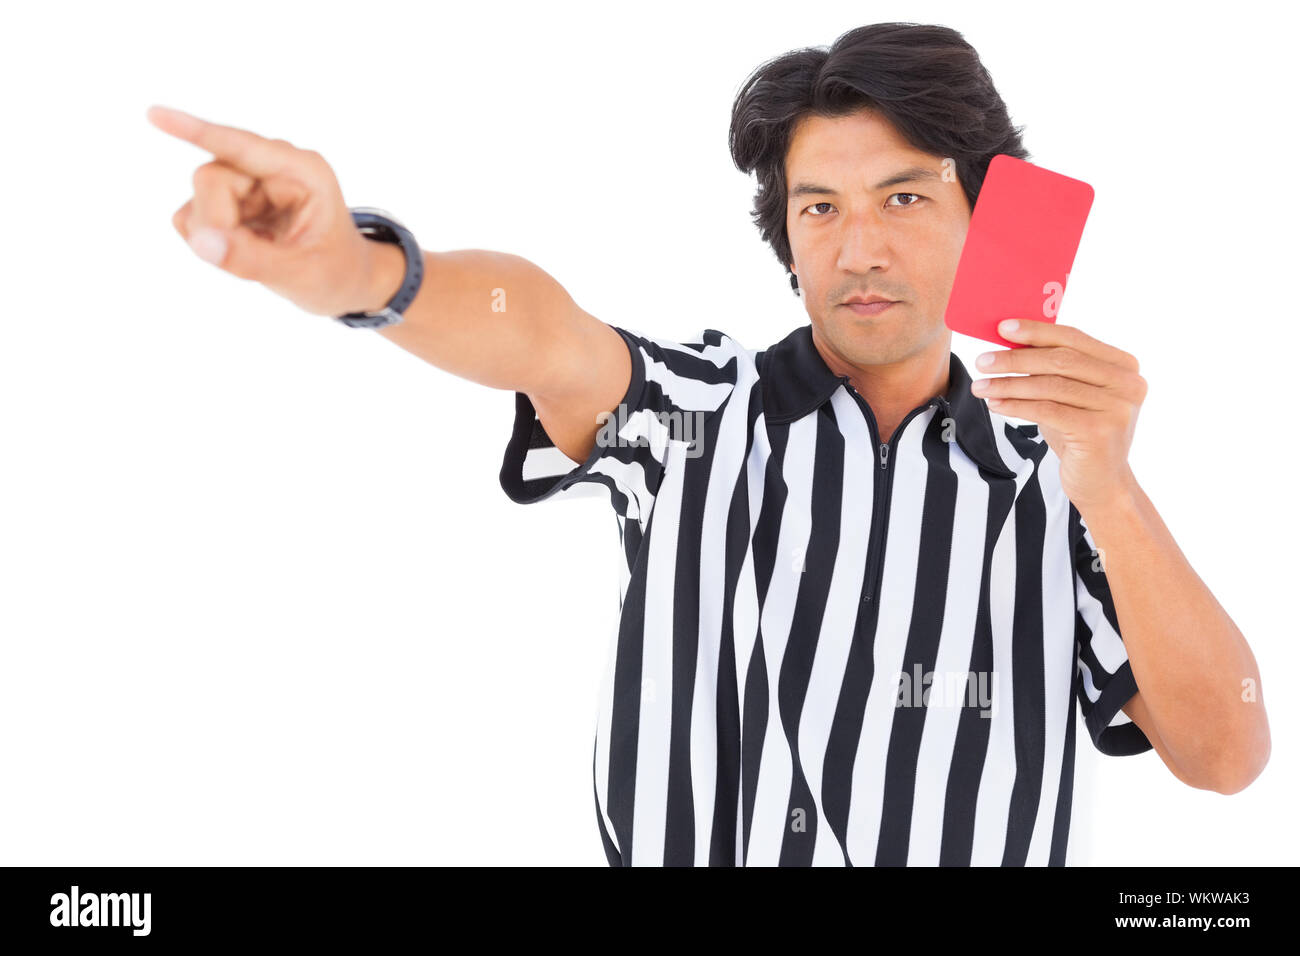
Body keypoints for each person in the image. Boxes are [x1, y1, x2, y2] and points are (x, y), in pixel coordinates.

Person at [150, 21, 1268, 867]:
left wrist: (1110, 489)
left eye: (904, 197)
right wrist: (359, 273)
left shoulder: (1056, 487)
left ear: (987, 217)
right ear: (783, 232)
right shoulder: (699, 412)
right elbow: (545, 333)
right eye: (818, 206)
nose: (858, 246)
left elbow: (1227, 756)